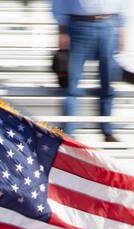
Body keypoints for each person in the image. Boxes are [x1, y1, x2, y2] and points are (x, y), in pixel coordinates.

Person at [52, 0, 124, 142]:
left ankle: (107, 130)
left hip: (109, 23)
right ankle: (67, 134)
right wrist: (62, 29)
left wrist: (122, 28)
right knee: (72, 85)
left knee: (108, 83)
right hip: (78, 24)